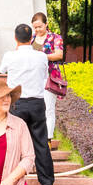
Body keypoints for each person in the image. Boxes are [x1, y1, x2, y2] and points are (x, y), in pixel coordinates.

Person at [1, 24, 55, 185]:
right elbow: (45, 75)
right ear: (31, 38)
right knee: (40, 142)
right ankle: (46, 182)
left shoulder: (10, 56)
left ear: (15, 39)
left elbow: (2, 71)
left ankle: (12, 179)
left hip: (17, 103)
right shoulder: (42, 57)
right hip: (38, 103)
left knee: (14, 142)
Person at [31, 12, 63, 145]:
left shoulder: (55, 37)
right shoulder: (32, 39)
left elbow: (59, 55)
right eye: (35, 27)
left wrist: (42, 56)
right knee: (35, 108)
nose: (37, 30)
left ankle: (48, 139)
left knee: (48, 108)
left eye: (40, 26)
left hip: (50, 77)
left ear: (46, 24)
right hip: (33, 78)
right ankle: (36, 137)